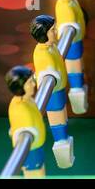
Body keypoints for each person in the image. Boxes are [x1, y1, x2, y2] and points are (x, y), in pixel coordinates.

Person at [30, 14, 74, 168]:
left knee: (63, 118)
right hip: (53, 94)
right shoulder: (42, 52)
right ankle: (62, 151)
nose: (56, 32)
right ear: (43, 34)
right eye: (53, 30)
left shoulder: (51, 47)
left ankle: (65, 143)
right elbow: (46, 72)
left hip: (59, 89)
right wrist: (50, 76)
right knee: (58, 121)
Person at [53, 0, 88, 114]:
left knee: (79, 68)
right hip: (72, 44)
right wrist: (71, 29)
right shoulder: (64, 5)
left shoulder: (71, 1)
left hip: (77, 41)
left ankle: (80, 91)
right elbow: (68, 25)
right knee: (74, 70)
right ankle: (77, 97)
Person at [5, 65, 47, 178]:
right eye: (29, 82)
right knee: (35, 173)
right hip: (31, 151)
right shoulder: (20, 108)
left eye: (33, 80)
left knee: (40, 171)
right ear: (19, 87)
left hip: (36, 146)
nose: (34, 84)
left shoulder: (27, 101)